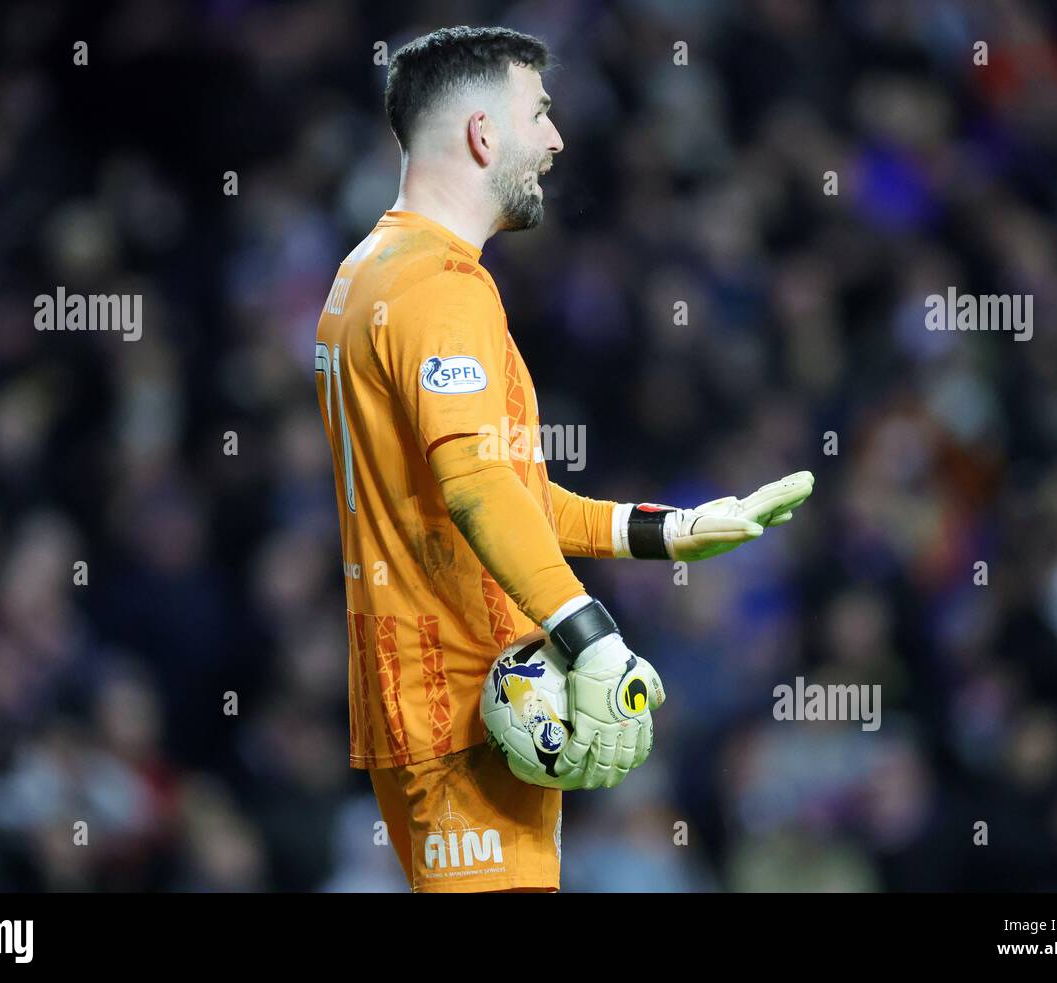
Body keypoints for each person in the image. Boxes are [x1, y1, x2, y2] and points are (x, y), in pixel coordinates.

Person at [314, 25, 813, 893]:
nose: (556, 139)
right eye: (539, 114)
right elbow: (475, 487)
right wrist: (592, 634)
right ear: (481, 134)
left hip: (435, 696)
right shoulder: (440, 287)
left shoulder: (369, 271)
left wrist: (670, 532)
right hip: (463, 701)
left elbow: (500, 490)